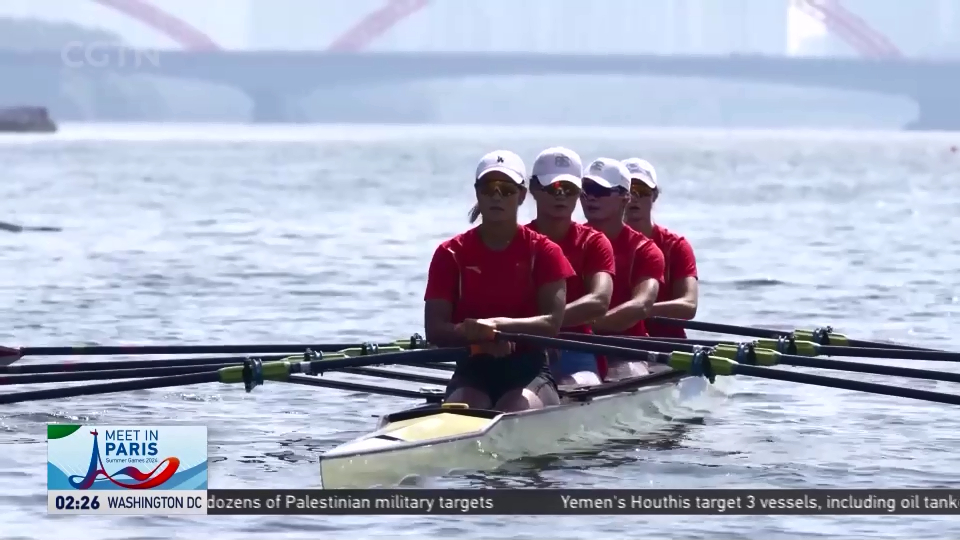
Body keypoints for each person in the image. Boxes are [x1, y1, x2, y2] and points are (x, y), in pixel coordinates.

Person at [423, 149, 576, 412]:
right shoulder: (450, 253)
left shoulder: (545, 252)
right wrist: (474, 337)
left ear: (521, 195)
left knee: (513, 407)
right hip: (472, 368)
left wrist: (496, 327)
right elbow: (434, 329)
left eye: (506, 189)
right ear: (477, 192)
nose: (496, 196)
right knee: (469, 407)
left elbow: (552, 323)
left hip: (530, 371)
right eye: (488, 188)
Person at [526, 147, 615, 386]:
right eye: (553, 188)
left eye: (570, 189)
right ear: (533, 189)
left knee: (574, 385)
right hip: (522, 349)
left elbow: (599, 301)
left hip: (576, 350)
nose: (561, 195)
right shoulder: (517, 241)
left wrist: (541, 325)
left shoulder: (594, 242)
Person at [580, 157, 665, 381]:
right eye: (587, 189)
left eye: (601, 191)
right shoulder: (566, 241)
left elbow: (641, 305)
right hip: (571, 343)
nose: (592, 198)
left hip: (626, 349)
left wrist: (585, 326)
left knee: (626, 373)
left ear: (625, 198)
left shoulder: (645, 250)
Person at [621, 158, 699, 339]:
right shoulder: (598, 241)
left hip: (665, 345)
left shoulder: (676, 246)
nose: (634, 198)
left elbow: (689, 306)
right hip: (614, 340)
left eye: (642, 191)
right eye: (627, 191)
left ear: (654, 196)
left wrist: (635, 310)